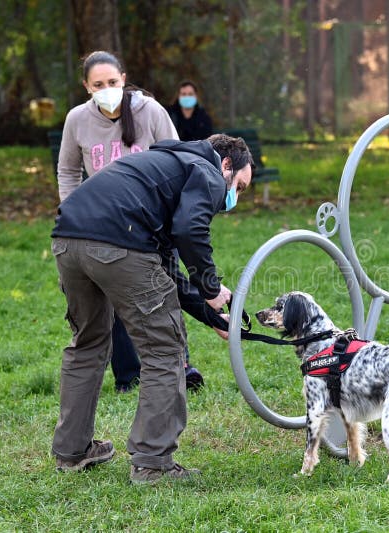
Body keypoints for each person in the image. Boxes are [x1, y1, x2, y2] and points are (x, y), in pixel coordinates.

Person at [51, 134, 253, 484]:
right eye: (239, 186)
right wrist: (210, 286)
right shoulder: (206, 171)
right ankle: (152, 464)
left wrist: (212, 316)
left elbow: (167, 268)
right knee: (164, 348)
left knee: (88, 343)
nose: (234, 196)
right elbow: (190, 230)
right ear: (226, 164)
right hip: (118, 243)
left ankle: (72, 452)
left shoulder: (166, 169)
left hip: (68, 241)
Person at [56, 51, 205, 393]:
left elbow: (178, 157)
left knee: (166, 290)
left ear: (123, 79)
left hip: (152, 220)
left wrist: (172, 215)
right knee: (112, 299)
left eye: (112, 81)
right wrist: (72, 210)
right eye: (98, 84)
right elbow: (68, 170)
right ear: (86, 86)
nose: (106, 89)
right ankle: (128, 375)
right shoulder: (77, 119)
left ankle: (181, 366)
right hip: (103, 224)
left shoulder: (149, 111)